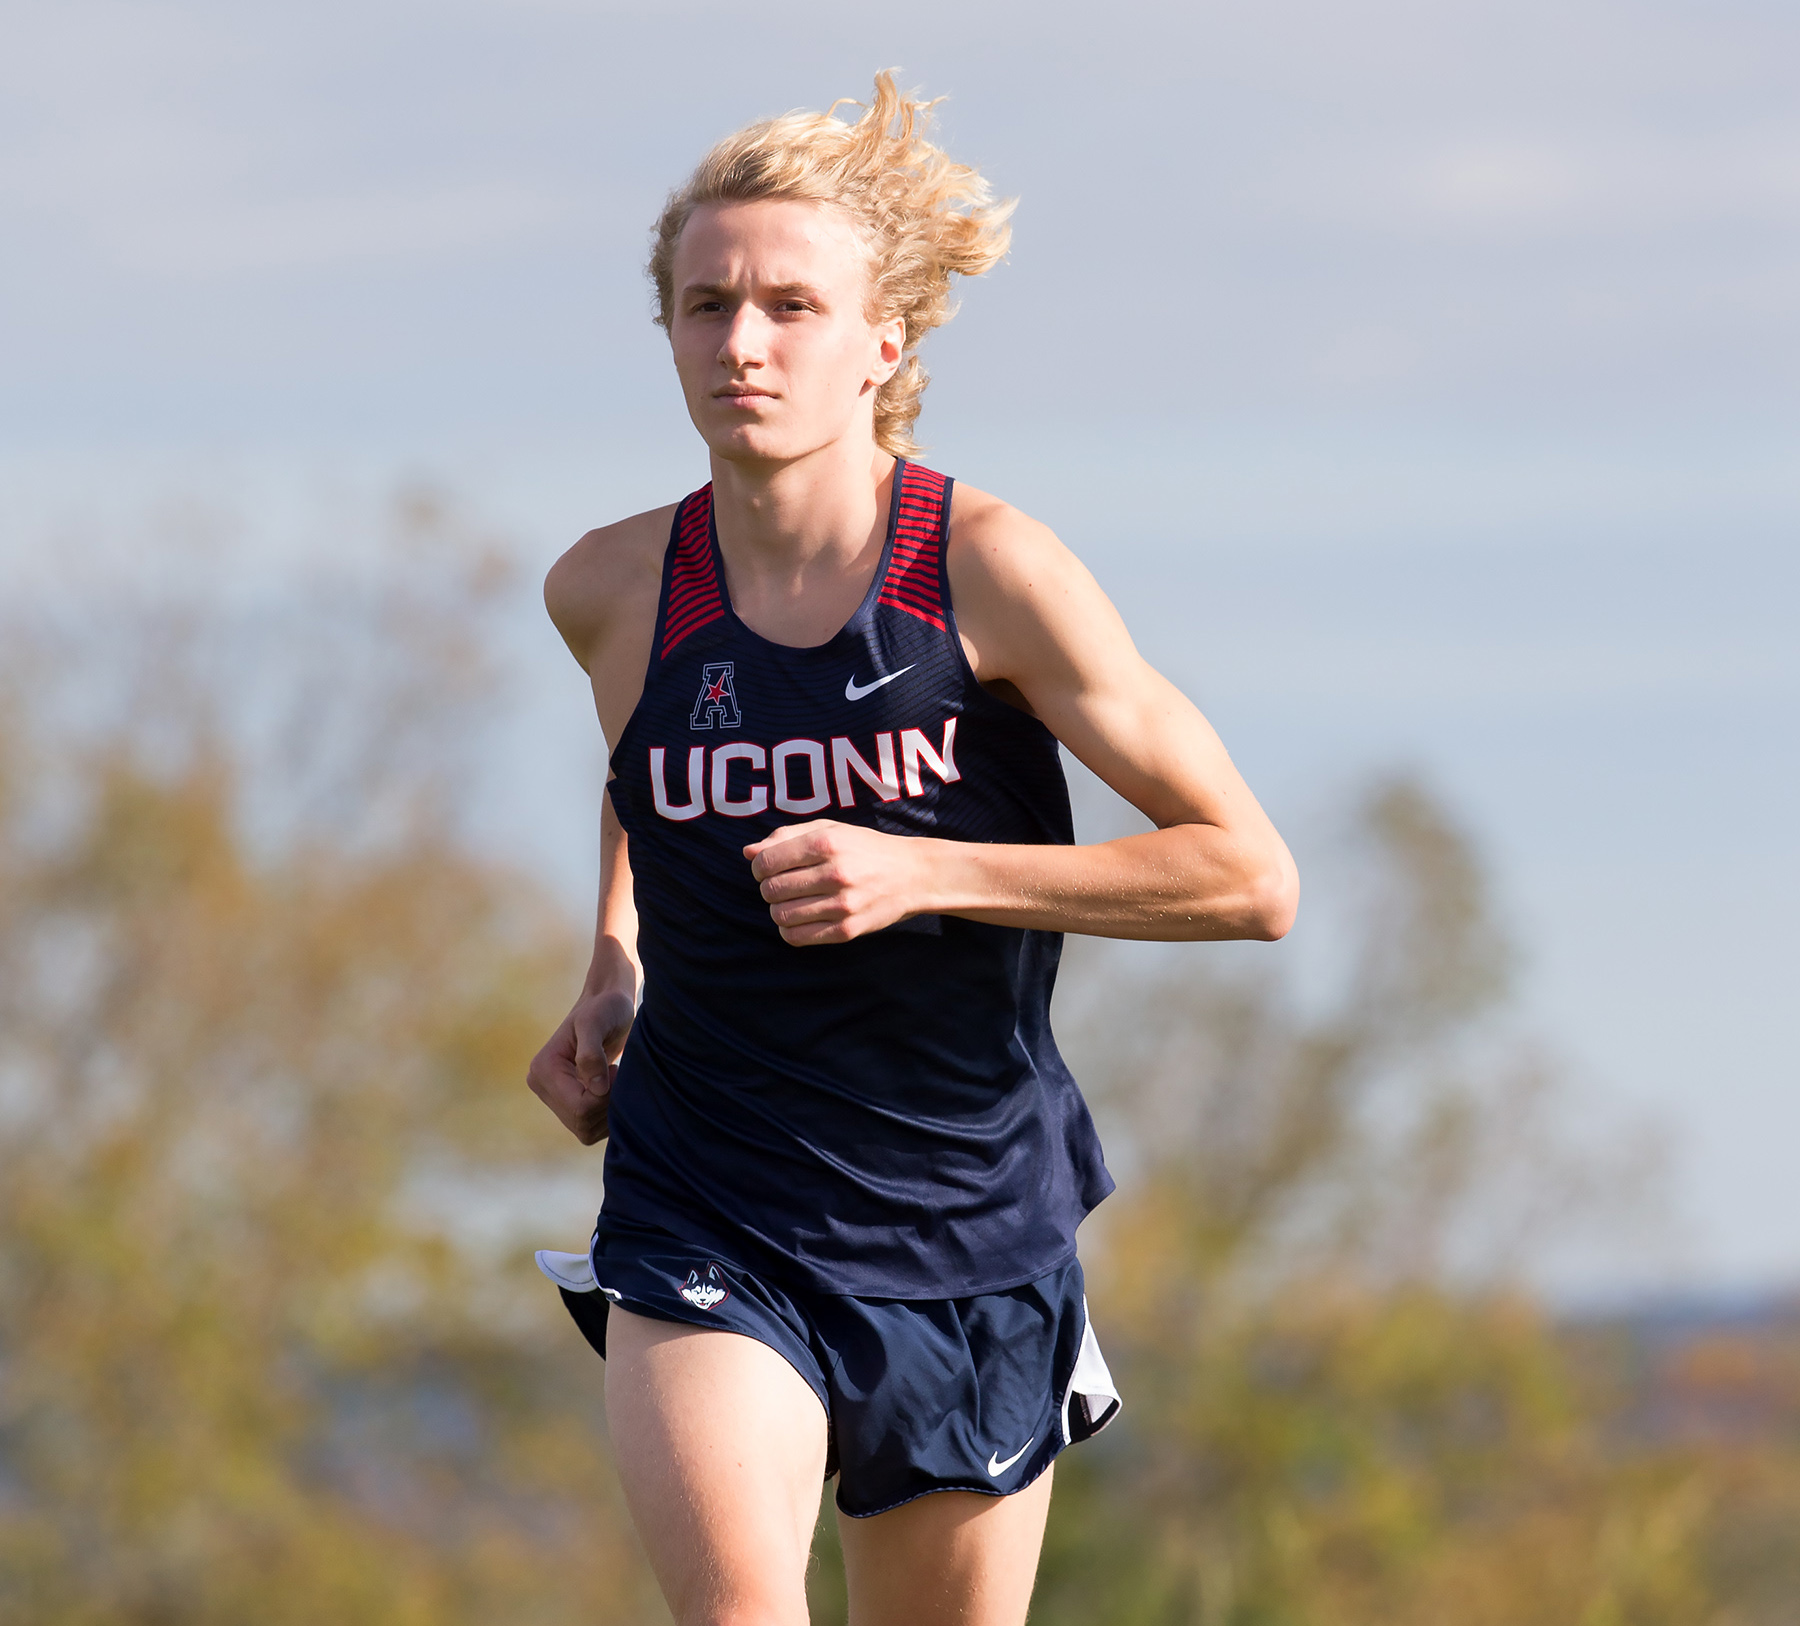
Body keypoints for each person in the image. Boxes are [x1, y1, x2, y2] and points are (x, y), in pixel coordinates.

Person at [526, 72, 1297, 1626]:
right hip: (707, 1195)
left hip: (963, 1221)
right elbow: (648, 766)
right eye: (705, 305)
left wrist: (930, 866)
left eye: (790, 305)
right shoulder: (611, 589)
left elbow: (1246, 874)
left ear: (885, 343)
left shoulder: (990, 573)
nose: (742, 343)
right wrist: (614, 951)